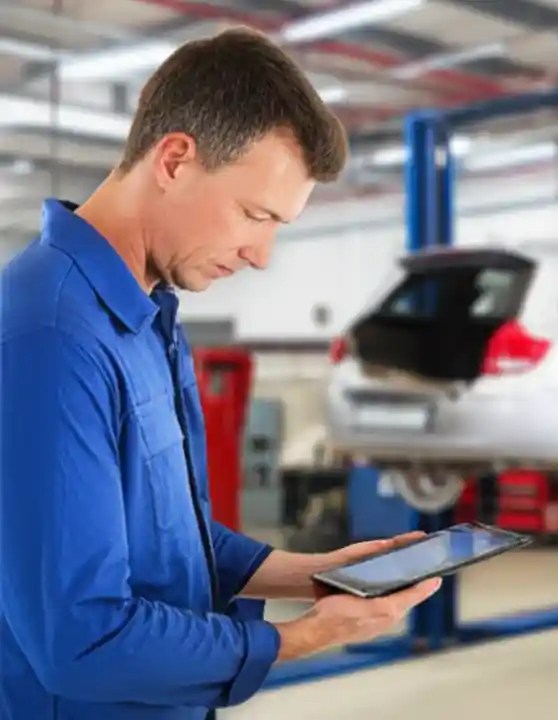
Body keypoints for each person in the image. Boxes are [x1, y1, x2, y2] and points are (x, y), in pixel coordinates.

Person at [0, 27, 441, 720]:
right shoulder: (50, 336)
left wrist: (318, 574)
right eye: (253, 213)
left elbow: (175, 539)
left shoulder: (149, 318)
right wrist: (295, 641)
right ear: (174, 159)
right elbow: (78, 639)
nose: (261, 254)